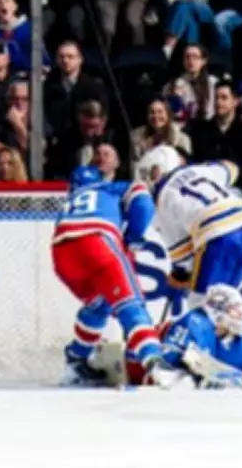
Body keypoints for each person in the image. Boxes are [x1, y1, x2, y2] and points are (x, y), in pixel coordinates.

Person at [51, 165, 180, 388]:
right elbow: (142, 199)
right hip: (97, 241)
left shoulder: (70, 201)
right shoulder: (111, 188)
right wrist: (133, 236)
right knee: (131, 305)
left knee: (100, 305)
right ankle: (155, 362)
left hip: (61, 252)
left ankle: (76, 361)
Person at [135, 146, 242, 310]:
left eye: (151, 173)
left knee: (201, 304)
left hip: (218, 237)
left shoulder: (160, 202)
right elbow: (231, 167)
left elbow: (183, 256)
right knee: (226, 300)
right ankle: (238, 333)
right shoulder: (202, 170)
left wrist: (179, 275)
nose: (150, 179)